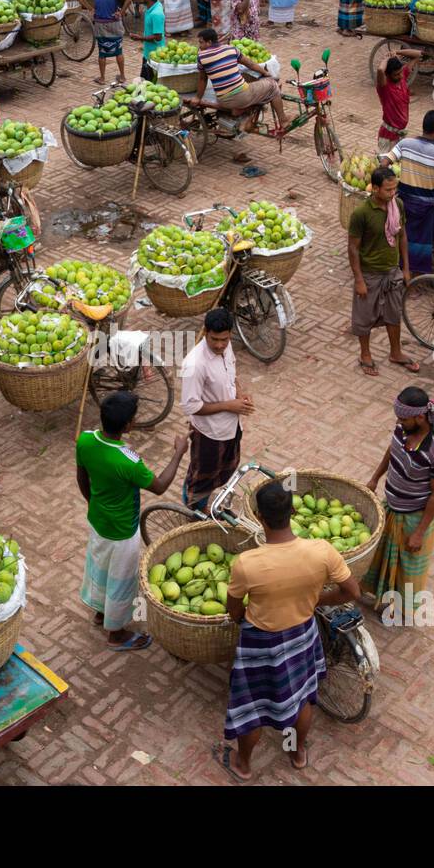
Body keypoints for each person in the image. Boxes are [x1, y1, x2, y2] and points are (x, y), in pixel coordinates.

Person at [217, 479, 359, 782]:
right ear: (293, 511)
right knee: (302, 697)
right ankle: (297, 754)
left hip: (260, 641)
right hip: (302, 634)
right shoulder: (322, 551)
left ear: (259, 517)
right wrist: (318, 599)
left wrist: (242, 618)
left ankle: (243, 765)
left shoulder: (247, 563)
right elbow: (351, 591)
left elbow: (233, 608)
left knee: (252, 707)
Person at [76, 392, 188, 652]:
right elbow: (159, 486)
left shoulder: (85, 440)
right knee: (122, 580)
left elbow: (81, 476)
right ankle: (116, 634)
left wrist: (91, 502)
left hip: (98, 521)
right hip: (123, 531)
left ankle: (101, 612)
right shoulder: (129, 461)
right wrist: (179, 453)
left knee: (101, 567)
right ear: (128, 425)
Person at [363, 387, 434, 617]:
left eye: (403, 418)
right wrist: (375, 478)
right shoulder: (403, 428)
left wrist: (419, 533)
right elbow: (391, 451)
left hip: (416, 515)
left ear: (420, 417)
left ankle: (401, 611)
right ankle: (376, 593)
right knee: (381, 553)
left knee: (407, 567)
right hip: (393, 504)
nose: (399, 422)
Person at [349, 165, 419, 376]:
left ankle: (395, 352)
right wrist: (359, 279)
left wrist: (405, 268)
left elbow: (402, 236)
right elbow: (353, 248)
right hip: (369, 273)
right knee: (364, 317)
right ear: (375, 189)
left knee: (393, 313)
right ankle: (365, 354)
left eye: (394, 189)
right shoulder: (361, 213)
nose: (392, 194)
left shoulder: (397, 205)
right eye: (388, 190)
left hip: (391, 271)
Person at [179, 307, 251, 510]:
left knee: (225, 467)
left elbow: (231, 373)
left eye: (224, 340)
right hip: (210, 433)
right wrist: (229, 405)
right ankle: (196, 509)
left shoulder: (225, 348)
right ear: (205, 332)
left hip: (231, 427)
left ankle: (205, 501)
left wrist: (240, 393)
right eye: (214, 340)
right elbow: (191, 406)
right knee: (202, 476)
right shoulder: (194, 365)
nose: (219, 345)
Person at [383, 110, 434, 276]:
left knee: (401, 234)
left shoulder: (405, 144)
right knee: (421, 240)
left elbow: (384, 163)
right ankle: (416, 273)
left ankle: (398, 267)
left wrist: (389, 189)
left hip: (403, 202)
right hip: (425, 206)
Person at [193, 27, 287, 133]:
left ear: (209, 42)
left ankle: (244, 115)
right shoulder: (231, 49)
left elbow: (202, 79)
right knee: (273, 86)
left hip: (223, 100)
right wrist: (266, 73)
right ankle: (283, 120)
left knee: (249, 90)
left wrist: (197, 97)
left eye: (201, 43)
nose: (199, 46)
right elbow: (250, 64)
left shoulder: (201, 57)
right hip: (242, 97)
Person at [82, 0, 130, 84]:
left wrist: (90, 8)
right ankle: (122, 76)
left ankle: (102, 78)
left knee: (102, 52)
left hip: (100, 24)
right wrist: (121, 12)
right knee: (118, 50)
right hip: (114, 22)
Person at [374, 48, 417, 154]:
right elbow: (380, 70)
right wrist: (387, 58)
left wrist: (397, 52)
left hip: (400, 134)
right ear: (387, 75)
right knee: (385, 167)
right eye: (396, 74)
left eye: (401, 72)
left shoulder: (402, 78)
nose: (400, 75)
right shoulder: (384, 87)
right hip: (388, 135)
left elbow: (417, 54)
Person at [130, 0, 165, 80]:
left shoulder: (156, 13)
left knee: (150, 85)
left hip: (155, 57)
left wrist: (140, 38)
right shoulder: (151, 5)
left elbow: (158, 37)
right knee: (144, 83)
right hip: (148, 53)